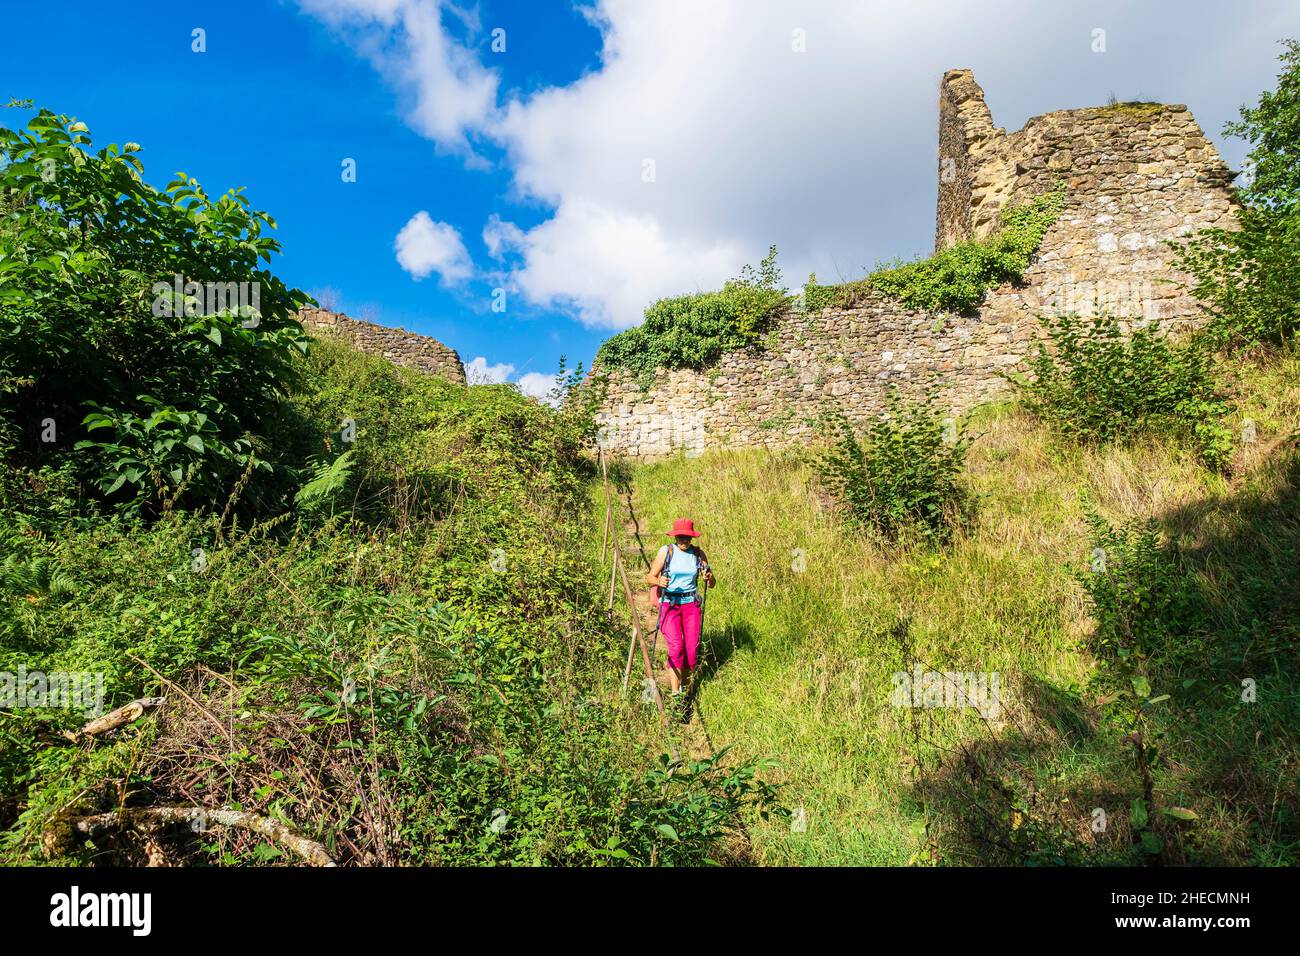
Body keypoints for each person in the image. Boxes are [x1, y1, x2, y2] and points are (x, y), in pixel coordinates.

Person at [644, 518, 715, 699]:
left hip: (691, 605)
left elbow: (712, 582)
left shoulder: (698, 554)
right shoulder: (666, 552)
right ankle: (676, 693)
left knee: (691, 652)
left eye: (688, 538)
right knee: (676, 647)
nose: (684, 541)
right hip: (669, 603)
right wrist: (659, 581)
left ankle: (684, 686)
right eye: (681, 537)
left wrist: (709, 577)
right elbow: (650, 577)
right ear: (675, 537)